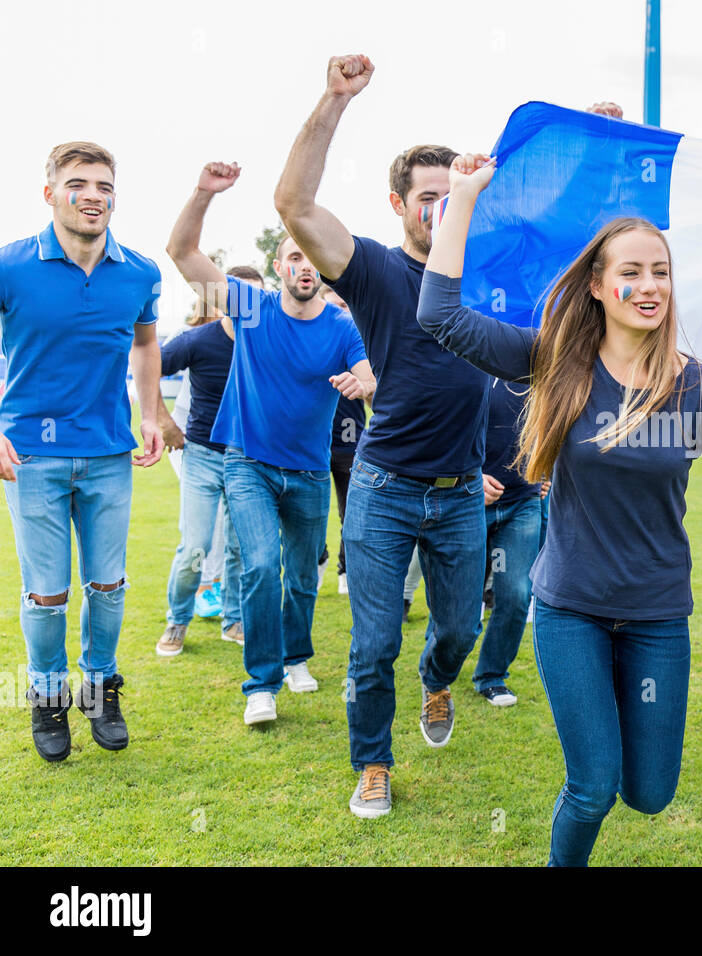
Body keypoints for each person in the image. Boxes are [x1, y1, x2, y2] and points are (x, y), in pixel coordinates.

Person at [417, 151, 702, 865]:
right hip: (571, 609)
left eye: (660, 271)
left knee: (651, 793)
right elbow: (438, 313)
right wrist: (467, 195)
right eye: (630, 272)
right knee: (593, 785)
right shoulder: (554, 363)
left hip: (659, 616)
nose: (648, 285)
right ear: (598, 287)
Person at [273, 54, 492, 820]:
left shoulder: (489, 275)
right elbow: (293, 201)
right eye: (426, 196)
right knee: (371, 647)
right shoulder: (370, 269)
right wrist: (333, 99)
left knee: (460, 628)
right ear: (399, 203)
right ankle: (373, 764)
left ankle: (439, 681)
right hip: (384, 489)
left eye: (450, 195)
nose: (439, 208)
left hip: (464, 492)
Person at [166, 160, 374, 727]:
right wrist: (203, 192)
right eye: (295, 257)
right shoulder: (248, 307)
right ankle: (260, 683)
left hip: (308, 471)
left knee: (303, 576)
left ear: (325, 270)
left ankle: (295, 659)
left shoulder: (341, 326)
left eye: (313, 258)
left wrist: (363, 381)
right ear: (280, 265)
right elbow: (182, 252)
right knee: (259, 565)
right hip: (248, 464)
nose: (306, 266)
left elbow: (371, 376)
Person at [0, 141, 164, 761]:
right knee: (47, 592)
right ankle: (47, 697)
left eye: (104, 185)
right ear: (50, 194)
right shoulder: (10, 266)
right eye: (78, 183)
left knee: (108, 585)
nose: (93, 195)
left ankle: (99, 687)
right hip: (30, 457)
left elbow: (146, 345)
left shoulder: (141, 273)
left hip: (107, 455)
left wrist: (150, 414)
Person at [154, 267, 263, 655]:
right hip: (201, 456)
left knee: (240, 548)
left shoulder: (269, 342)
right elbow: (148, 367)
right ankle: (177, 620)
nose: (249, 305)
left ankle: (233, 620)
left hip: (250, 460)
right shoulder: (198, 340)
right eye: (240, 295)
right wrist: (163, 421)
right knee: (196, 547)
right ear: (222, 299)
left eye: (257, 297)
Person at [473, 376, 548, 706]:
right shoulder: (468, 358)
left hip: (523, 502)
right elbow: (440, 425)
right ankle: (438, 670)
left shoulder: (543, 366)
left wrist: (550, 469)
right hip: (465, 499)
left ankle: (492, 675)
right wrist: (470, 476)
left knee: (517, 594)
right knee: (458, 599)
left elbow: (561, 422)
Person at [319, 284, 366, 596]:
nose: (341, 310)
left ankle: (346, 569)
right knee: (308, 513)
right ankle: (317, 558)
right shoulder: (313, 338)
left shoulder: (359, 340)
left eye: (344, 305)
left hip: (352, 444)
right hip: (314, 443)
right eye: (334, 304)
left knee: (352, 516)